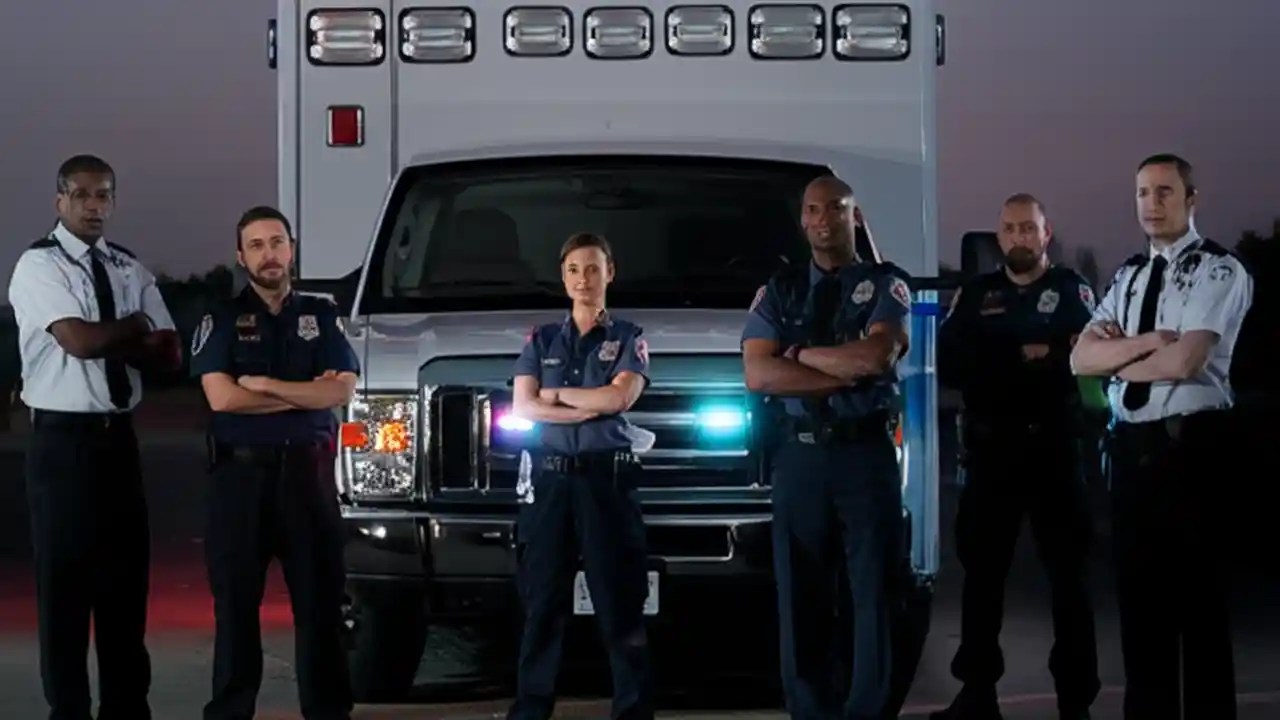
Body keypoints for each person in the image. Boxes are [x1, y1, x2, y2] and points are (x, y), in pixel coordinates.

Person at [1071, 153, 1252, 719]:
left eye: (1166, 192)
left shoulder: (1219, 269)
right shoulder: (1127, 275)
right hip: (1130, 454)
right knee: (1140, 615)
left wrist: (1119, 358)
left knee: (1200, 612)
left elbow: (1188, 360)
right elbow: (1079, 359)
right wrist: (1148, 343)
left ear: (1192, 199)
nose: (1152, 204)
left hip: (1191, 453)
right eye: (1144, 193)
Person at [8, 154, 181, 720]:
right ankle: (71, 712)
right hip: (63, 445)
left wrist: (121, 338)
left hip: (117, 443)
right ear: (60, 201)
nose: (93, 206)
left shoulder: (129, 267)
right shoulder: (39, 267)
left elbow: (171, 354)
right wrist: (134, 328)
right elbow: (80, 341)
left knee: (125, 588)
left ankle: (127, 709)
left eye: (103, 195)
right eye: (81, 195)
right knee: (65, 590)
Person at [741, 175, 912, 720]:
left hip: (865, 456)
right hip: (802, 458)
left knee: (875, 595)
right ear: (803, 220)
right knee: (801, 598)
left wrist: (801, 355)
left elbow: (876, 358)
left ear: (855, 216)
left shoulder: (886, 283)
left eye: (835, 209)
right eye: (813, 210)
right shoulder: (781, 289)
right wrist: (840, 368)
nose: (823, 219)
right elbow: (759, 375)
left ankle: (869, 711)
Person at [189, 205, 360, 720]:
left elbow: (343, 388)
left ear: (292, 249)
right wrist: (306, 395)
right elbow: (222, 399)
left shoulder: (320, 314)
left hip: (308, 477)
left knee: (320, 607)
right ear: (241, 256)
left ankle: (328, 712)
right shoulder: (218, 318)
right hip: (240, 482)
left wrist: (266, 387)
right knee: (237, 608)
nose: (270, 254)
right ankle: (231, 711)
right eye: (257, 245)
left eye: (277, 242)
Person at [933, 194, 1100, 720]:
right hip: (991, 450)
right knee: (982, 578)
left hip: (1053, 447)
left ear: (1046, 234)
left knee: (1069, 580)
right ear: (999, 237)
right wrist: (1029, 353)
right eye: (1009, 229)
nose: (1018, 237)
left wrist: (1020, 356)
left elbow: (1082, 356)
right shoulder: (978, 293)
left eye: (1029, 228)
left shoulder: (1071, 289)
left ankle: (1076, 700)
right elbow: (951, 360)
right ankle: (976, 695)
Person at [506, 232, 653, 720]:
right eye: (573, 269)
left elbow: (617, 401)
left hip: (605, 483)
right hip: (549, 484)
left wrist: (557, 400)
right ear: (562, 276)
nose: (583, 279)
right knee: (543, 600)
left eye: (593, 268)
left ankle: (632, 710)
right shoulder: (542, 338)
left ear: (610, 273)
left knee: (619, 602)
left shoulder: (628, 337)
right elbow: (523, 405)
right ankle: (531, 708)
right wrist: (584, 405)